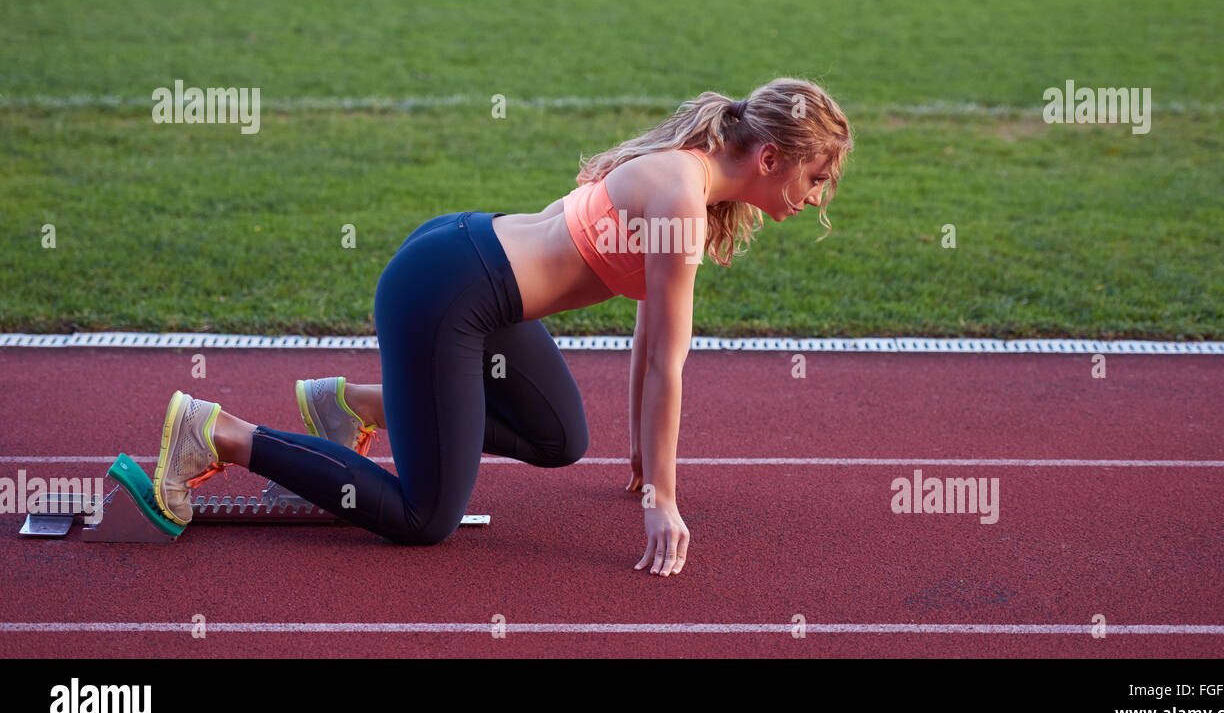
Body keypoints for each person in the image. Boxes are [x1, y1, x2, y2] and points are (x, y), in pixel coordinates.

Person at [152, 77, 853, 577]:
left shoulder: (690, 182)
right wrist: (663, 504)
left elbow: (649, 334)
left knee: (559, 438)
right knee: (424, 519)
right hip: (451, 292)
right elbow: (670, 362)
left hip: (475, 272)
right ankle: (215, 432)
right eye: (815, 179)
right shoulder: (680, 193)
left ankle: (352, 406)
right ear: (770, 159)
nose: (814, 198)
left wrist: (644, 462)